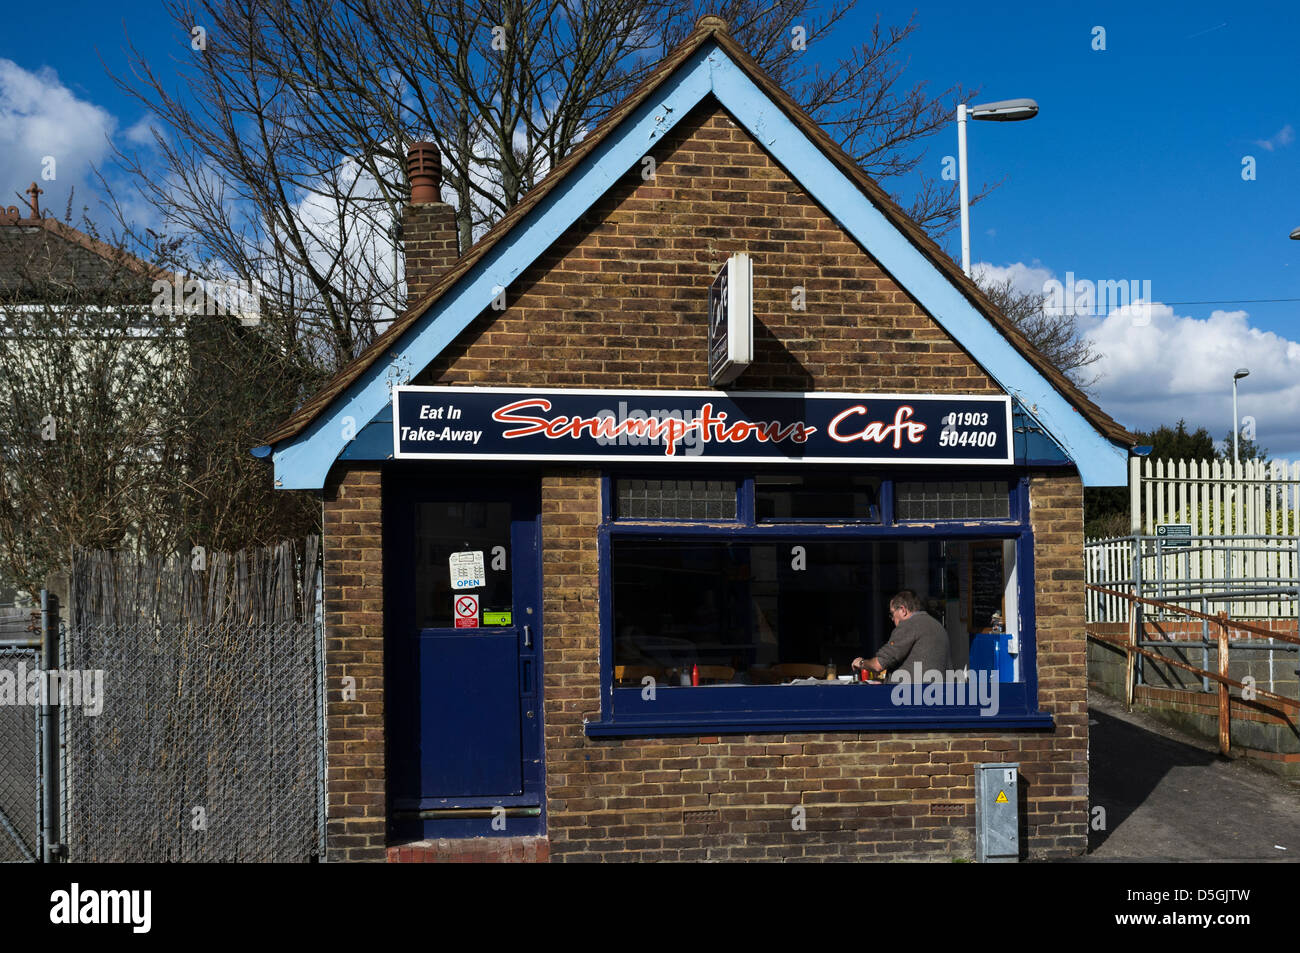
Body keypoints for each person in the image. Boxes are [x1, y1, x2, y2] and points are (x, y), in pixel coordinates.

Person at [852, 590, 951, 678]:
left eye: (892, 614)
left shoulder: (909, 625)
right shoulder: (938, 626)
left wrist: (861, 663)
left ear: (903, 610)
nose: (892, 619)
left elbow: (878, 664)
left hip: (906, 694)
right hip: (935, 693)